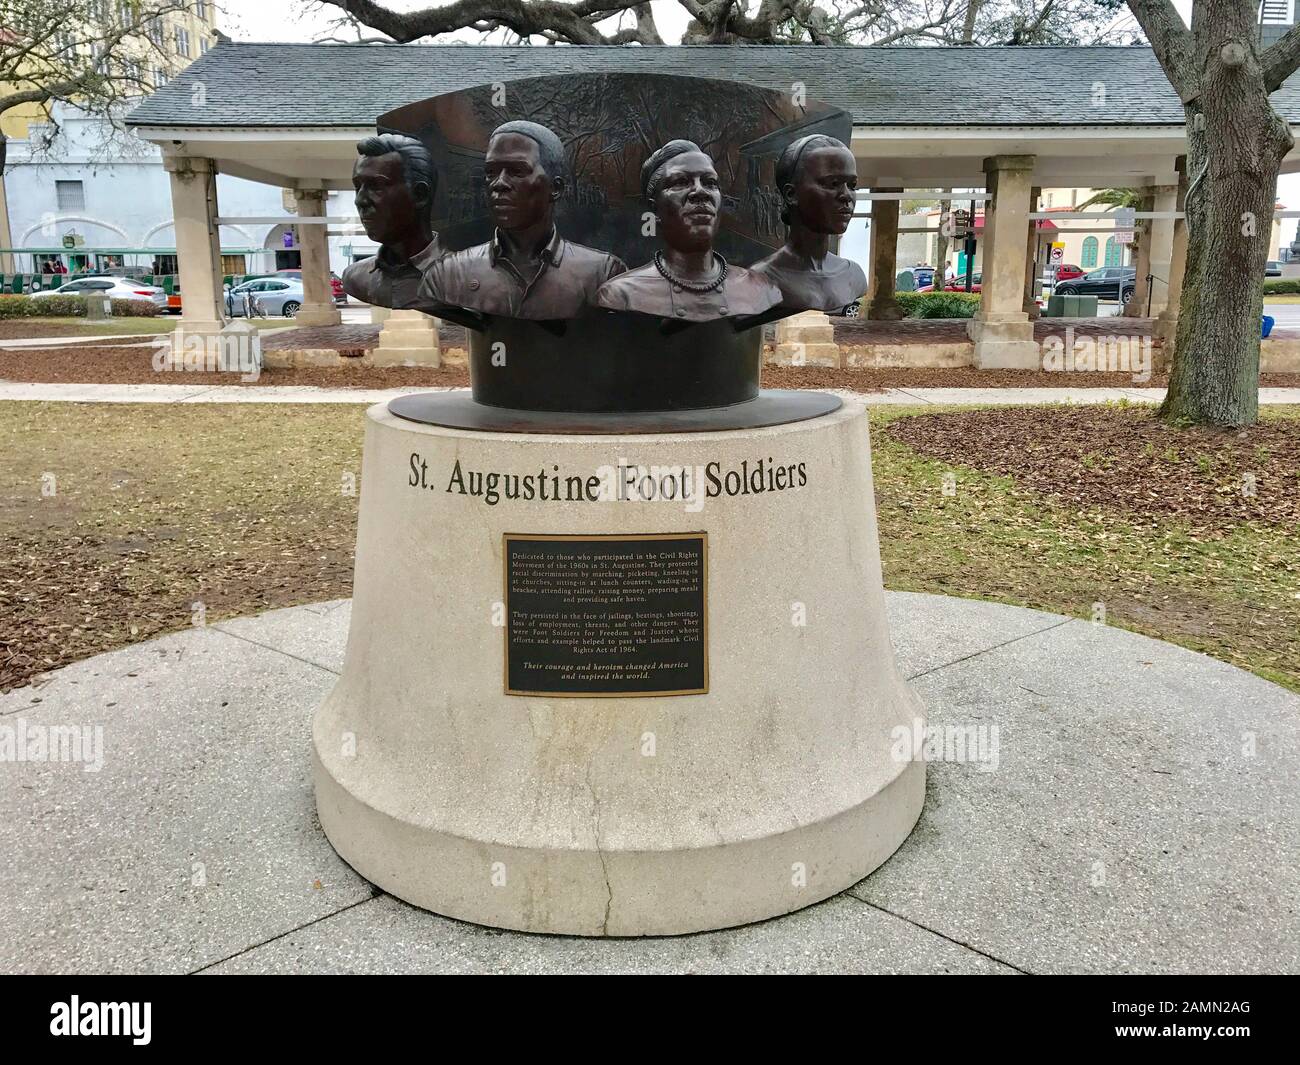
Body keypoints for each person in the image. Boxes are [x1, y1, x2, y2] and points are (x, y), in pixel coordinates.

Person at [418, 120, 624, 320]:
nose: (498, 184)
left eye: (517, 171)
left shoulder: (604, 273)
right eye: (491, 172)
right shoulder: (445, 276)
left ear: (556, 188)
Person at [595, 140, 781, 321]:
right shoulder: (621, 295)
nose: (701, 192)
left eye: (710, 183)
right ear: (654, 209)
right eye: (681, 182)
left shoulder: (761, 289)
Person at [751, 134, 867, 312]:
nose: (846, 196)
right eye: (832, 183)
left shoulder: (854, 275)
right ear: (791, 194)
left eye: (852, 185)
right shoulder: (759, 281)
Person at [341, 133, 442, 310]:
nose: (360, 200)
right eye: (358, 187)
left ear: (420, 195)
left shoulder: (465, 277)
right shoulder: (356, 277)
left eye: (376, 187)